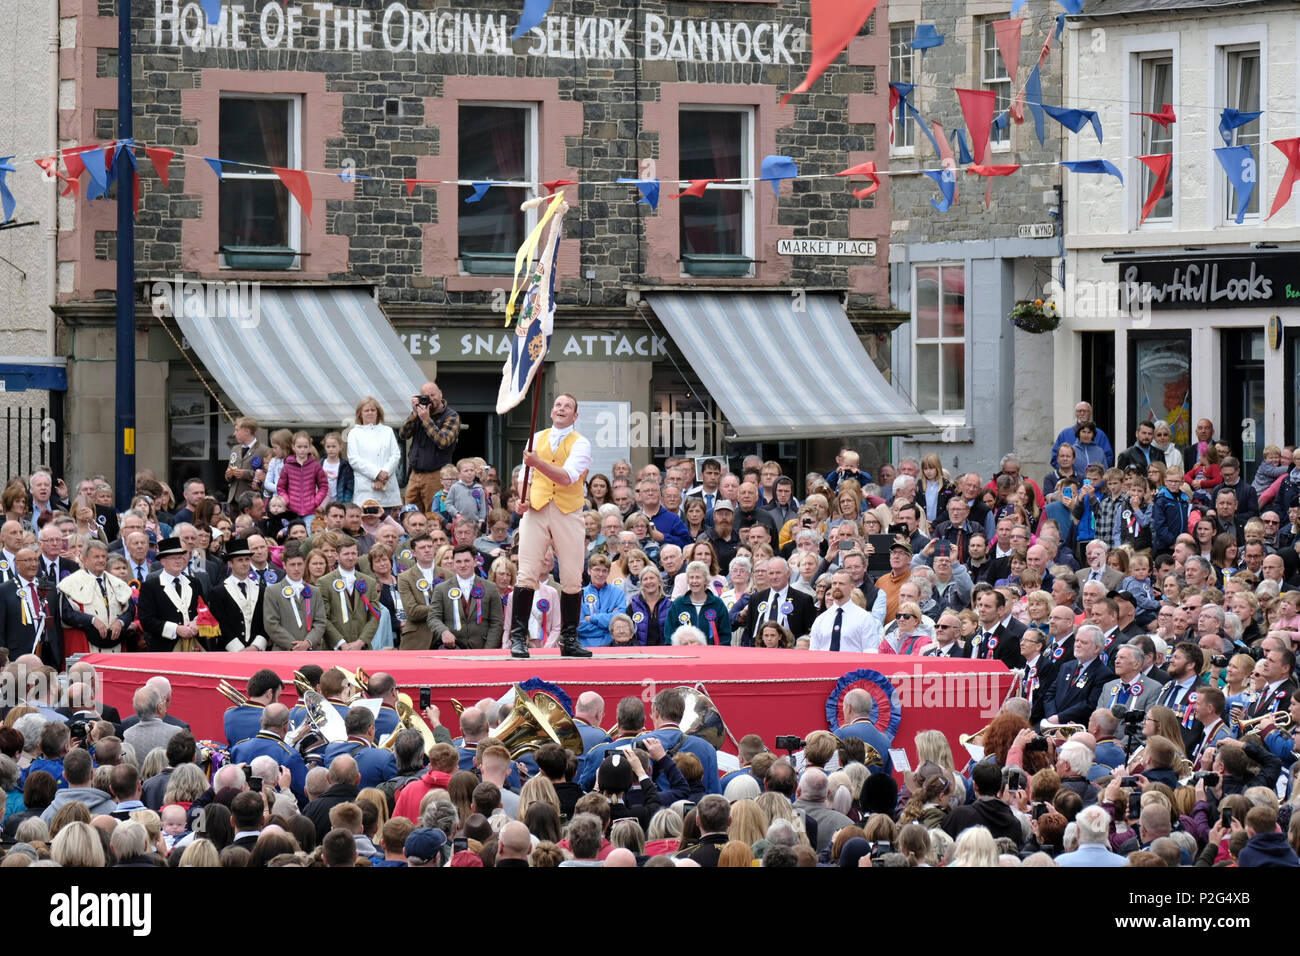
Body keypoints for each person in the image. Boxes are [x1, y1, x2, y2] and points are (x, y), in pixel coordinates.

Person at [509, 393, 593, 659]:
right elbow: (525, 476)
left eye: (568, 405)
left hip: (567, 511)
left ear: (575, 415)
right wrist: (522, 501)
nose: (561, 408)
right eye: (558, 404)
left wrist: (537, 463)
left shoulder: (581, 443)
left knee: (571, 575)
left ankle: (569, 639)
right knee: (526, 572)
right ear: (551, 410)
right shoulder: (536, 438)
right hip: (537, 509)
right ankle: (518, 638)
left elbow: (567, 477)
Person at [398, 382, 460, 514]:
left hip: (436, 474)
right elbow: (403, 434)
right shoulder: (419, 413)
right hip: (415, 474)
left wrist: (426, 420)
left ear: (440, 394)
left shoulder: (451, 416)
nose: (430, 399)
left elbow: (443, 441)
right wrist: (414, 415)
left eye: (433, 395)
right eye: (425, 396)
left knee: (433, 515)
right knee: (410, 514)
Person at [428, 545, 503, 650]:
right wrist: (443, 632)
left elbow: (497, 622)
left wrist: (488, 649)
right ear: (453, 563)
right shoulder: (441, 589)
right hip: (452, 649)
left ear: (475, 561)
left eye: (467, 561)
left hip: (482, 648)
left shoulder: (491, 588)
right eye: (458, 561)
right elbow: (433, 617)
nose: (463, 565)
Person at [1042, 624, 1115, 727]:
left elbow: (1090, 704)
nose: (1077, 645)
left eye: (1084, 642)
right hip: (1053, 723)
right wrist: (1052, 716)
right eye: (1077, 641)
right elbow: (1050, 694)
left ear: (1097, 649)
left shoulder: (1104, 674)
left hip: (1076, 727)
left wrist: (1060, 718)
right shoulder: (1066, 666)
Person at [315, 537, 380, 651]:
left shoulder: (369, 582)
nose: (350, 557)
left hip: (362, 648)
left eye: (354, 553)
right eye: (346, 554)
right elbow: (323, 617)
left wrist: (361, 641)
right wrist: (341, 643)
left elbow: (375, 615)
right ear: (337, 556)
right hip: (334, 649)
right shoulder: (324, 582)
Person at [347, 396, 402, 511]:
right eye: (366, 410)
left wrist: (384, 474)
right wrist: (376, 474)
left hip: (386, 488)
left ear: (378, 412)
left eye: (373, 410)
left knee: (386, 525)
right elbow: (354, 459)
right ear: (360, 414)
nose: (370, 413)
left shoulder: (388, 431)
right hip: (366, 489)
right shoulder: (354, 433)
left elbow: (395, 455)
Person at [809, 570, 882, 652]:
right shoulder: (821, 619)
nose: (837, 586)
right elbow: (814, 651)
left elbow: (870, 650)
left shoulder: (864, 618)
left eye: (841, 584)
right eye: (834, 583)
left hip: (854, 664)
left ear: (852, 587)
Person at [665, 561, 730, 646]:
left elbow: (725, 635)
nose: (694, 581)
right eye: (691, 577)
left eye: (698, 577)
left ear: (706, 580)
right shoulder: (678, 604)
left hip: (712, 656)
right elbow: (669, 635)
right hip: (684, 656)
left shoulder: (718, 604)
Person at [225, 417, 272, 508]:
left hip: (251, 500)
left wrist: (246, 474)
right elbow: (229, 470)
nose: (234, 433)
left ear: (247, 431)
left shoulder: (264, 450)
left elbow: (267, 475)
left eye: (237, 430)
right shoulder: (235, 449)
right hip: (233, 499)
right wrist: (228, 475)